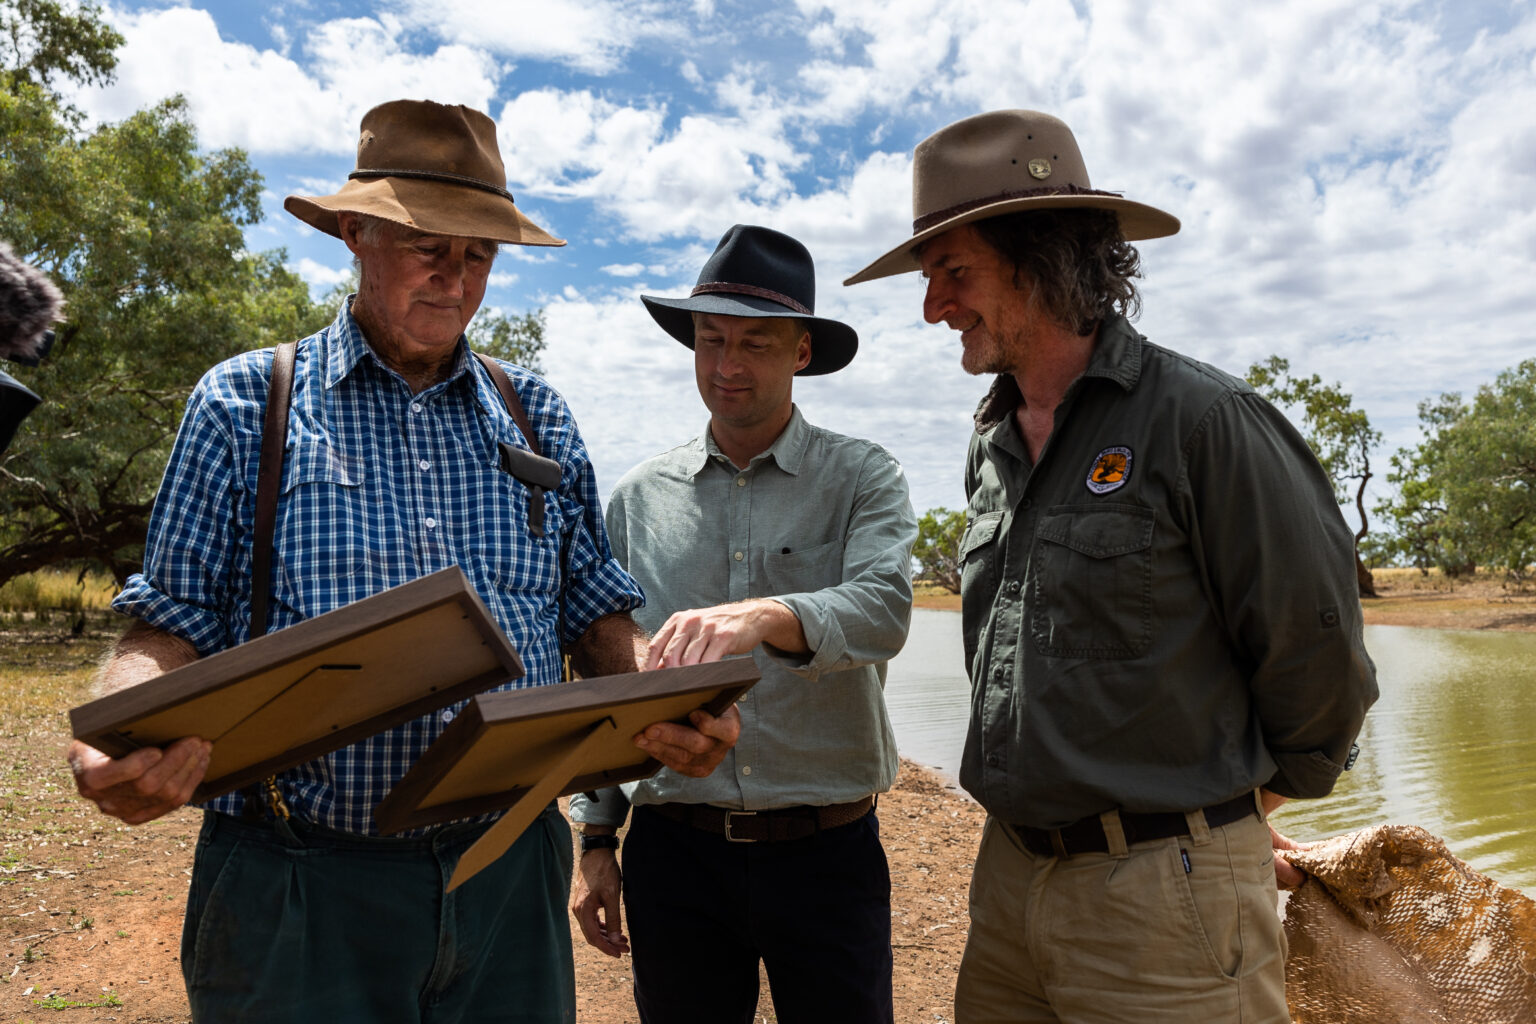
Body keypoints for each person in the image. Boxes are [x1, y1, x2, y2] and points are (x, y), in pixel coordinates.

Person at [64, 99, 738, 1024]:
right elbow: (169, 622)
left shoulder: (536, 411)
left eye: (479, 254)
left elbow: (593, 611)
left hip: (509, 877)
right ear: (356, 232)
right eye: (430, 247)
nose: (455, 279)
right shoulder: (244, 404)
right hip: (296, 889)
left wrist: (668, 705)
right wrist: (120, 731)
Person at [844, 110, 1378, 1023]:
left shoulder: (1206, 422)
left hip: (1165, 904)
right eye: (929, 278)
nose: (932, 306)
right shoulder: (991, 446)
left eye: (952, 271)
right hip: (1008, 882)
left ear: (1043, 257)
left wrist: (1220, 819)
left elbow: (1319, 663)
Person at [568, 224, 918, 1023]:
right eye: (711, 338)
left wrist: (767, 616)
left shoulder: (862, 476)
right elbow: (606, 671)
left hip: (827, 852)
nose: (727, 365)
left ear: (801, 352)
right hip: (674, 851)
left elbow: (885, 609)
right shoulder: (637, 499)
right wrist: (596, 841)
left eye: (755, 343)